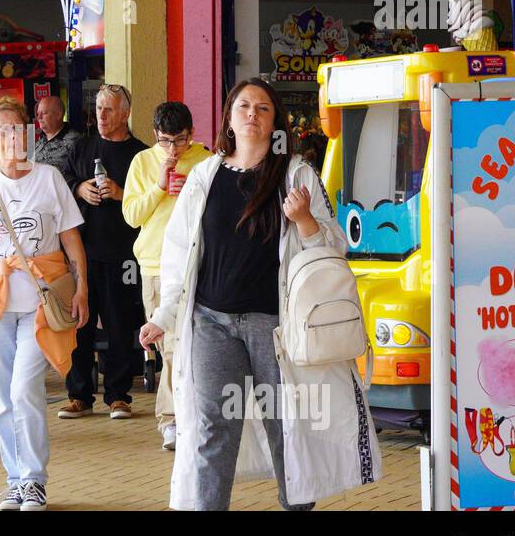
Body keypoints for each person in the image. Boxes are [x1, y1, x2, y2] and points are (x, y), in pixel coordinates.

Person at [139, 78, 376, 511]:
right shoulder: (204, 177)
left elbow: (332, 249)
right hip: (212, 322)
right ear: (229, 116)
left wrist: (303, 219)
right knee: (213, 428)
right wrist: (164, 315)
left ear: (275, 122)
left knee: (285, 427)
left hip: (276, 327)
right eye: (244, 106)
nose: (252, 114)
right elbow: (179, 255)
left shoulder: (296, 173)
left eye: (263, 108)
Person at [0, 97, 88, 511]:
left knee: (25, 387)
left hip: (40, 301)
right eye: (0, 131)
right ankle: (14, 479)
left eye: (16, 128)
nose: (10, 137)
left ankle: (34, 479)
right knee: (4, 394)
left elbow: (72, 240)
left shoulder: (49, 179)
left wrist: (83, 289)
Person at [122, 102, 211, 450]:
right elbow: (131, 215)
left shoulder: (207, 161)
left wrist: (193, 190)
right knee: (169, 347)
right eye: (165, 141)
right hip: (156, 266)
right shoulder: (143, 162)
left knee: (191, 346)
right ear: (155, 136)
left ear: (192, 133)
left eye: (180, 140)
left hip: (198, 266)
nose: (173, 149)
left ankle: (182, 416)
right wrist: (159, 187)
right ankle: (173, 419)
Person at [58, 84, 148, 420]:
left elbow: (151, 199)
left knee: (120, 323)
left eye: (109, 110)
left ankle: (119, 395)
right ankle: (79, 394)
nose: (102, 115)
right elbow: (61, 182)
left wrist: (122, 193)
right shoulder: (81, 147)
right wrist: (79, 188)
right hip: (82, 252)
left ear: (125, 113)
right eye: (98, 108)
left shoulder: (141, 155)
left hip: (123, 253)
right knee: (78, 324)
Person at [31, 95, 81, 184]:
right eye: (38, 114)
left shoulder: (75, 141)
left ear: (59, 114)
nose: (39, 118)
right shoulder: (40, 140)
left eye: (44, 113)